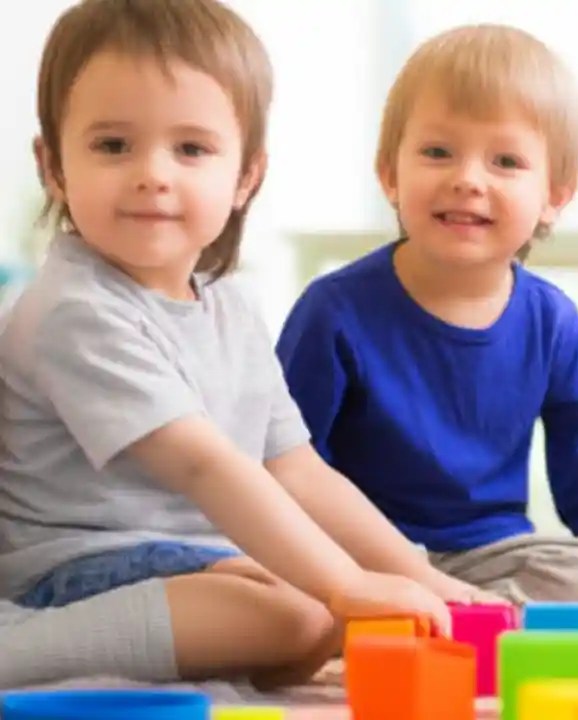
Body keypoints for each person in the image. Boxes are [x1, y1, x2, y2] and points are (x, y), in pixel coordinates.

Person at [0, 0, 491, 689]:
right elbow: (202, 465)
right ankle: (18, 648)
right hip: (73, 569)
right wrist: (346, 582)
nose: (153, 174)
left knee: (333, 614)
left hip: (199, 562)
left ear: (245, 177)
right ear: (53, 167)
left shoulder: (228, 304)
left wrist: (422, 578)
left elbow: (296, 468)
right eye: (113, 146)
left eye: (191, 148)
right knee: (301, 612)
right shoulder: (74, 310)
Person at [276, 24, 578, 603]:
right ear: (389, 174)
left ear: (555, 196)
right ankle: (441, 617)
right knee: (279, 588)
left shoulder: (552, 323)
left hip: (490, 559)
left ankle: (467, 619)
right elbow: (285, 465)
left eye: (505, 161)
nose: (467, 180)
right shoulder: (333, 312)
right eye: (437, 152)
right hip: (365, 555)